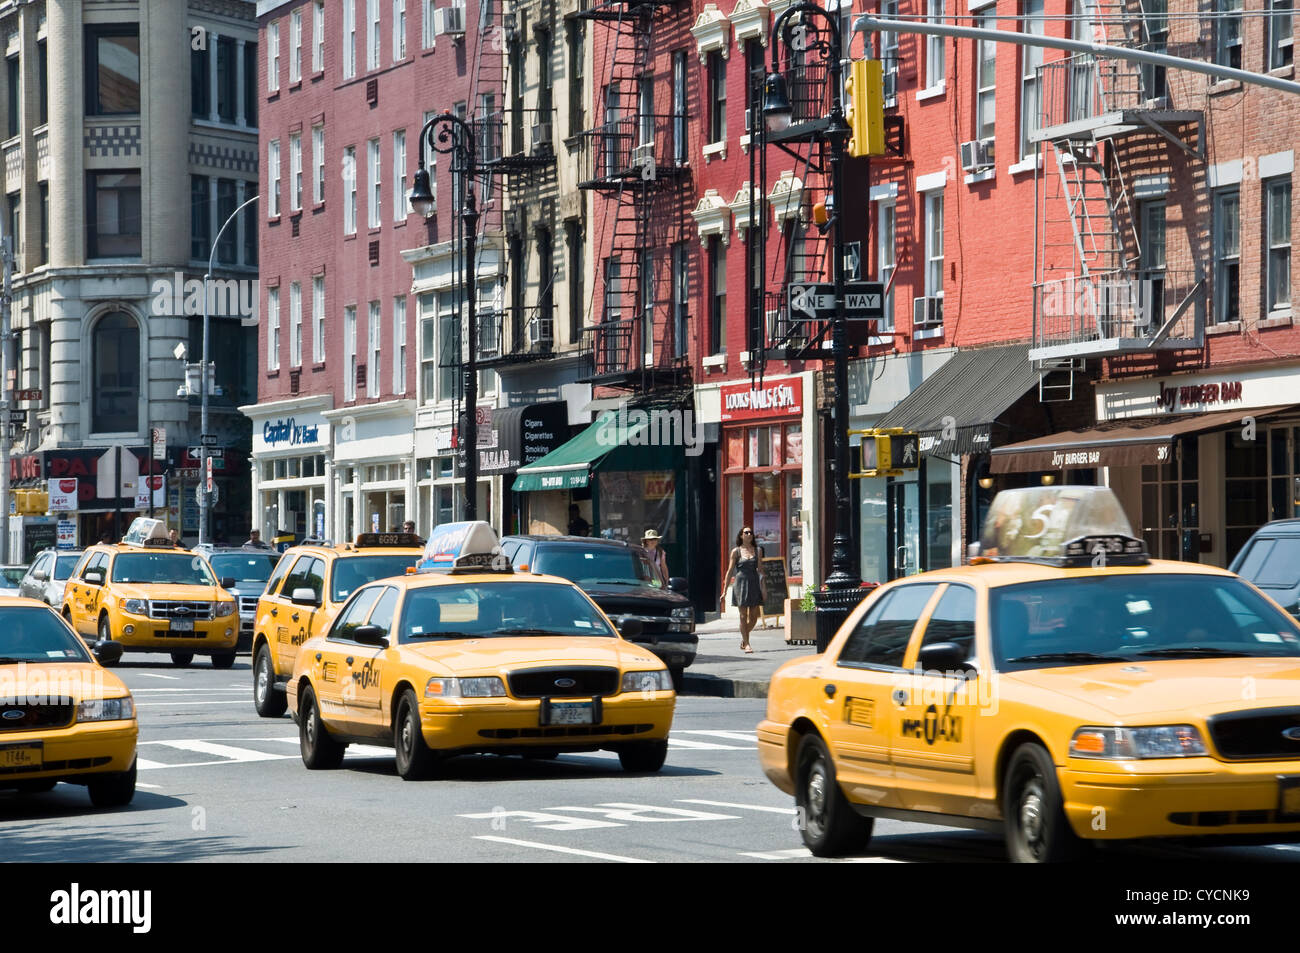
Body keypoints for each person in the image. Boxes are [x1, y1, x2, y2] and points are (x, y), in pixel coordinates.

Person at [721, 527, 765, 653]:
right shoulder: (736, 551)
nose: (749, 534)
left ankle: (744, 638)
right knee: (742, 615)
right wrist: (724, 590)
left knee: (754, 617)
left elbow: (761, 570)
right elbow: (729, 572)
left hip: (754, 583)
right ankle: (747, 644)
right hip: (740, 584)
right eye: (746, 532)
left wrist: (764, 588)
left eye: (751, 532)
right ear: (741, 536)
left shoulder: (758, 550)